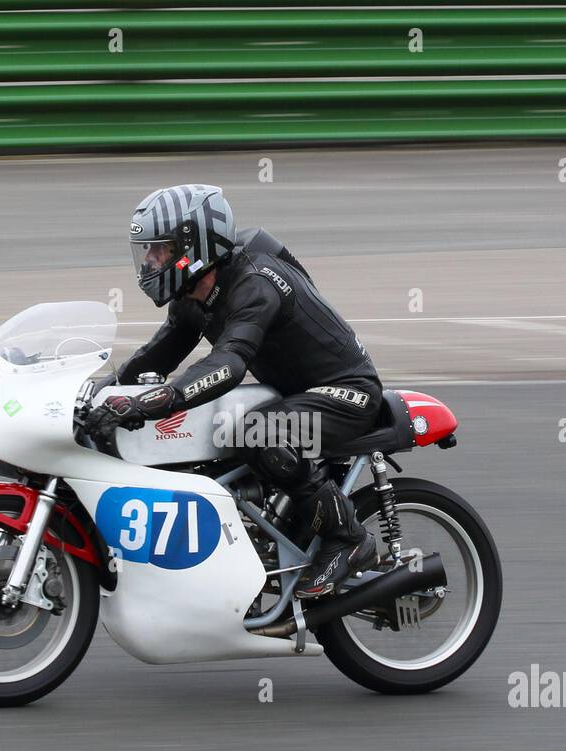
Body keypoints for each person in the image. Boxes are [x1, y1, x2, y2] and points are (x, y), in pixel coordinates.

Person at [87, 184, 384, 599]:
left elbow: (228, 364)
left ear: (195, 246)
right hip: (294, 393)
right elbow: (157, 355)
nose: (151, 261)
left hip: (345, 392)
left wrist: (154, 402)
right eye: (147, 251)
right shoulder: (194, 293)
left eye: (160, 250)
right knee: (220, 432)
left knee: (257, 431)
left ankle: (349, 539)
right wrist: (102, 390)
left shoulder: (256, 283)